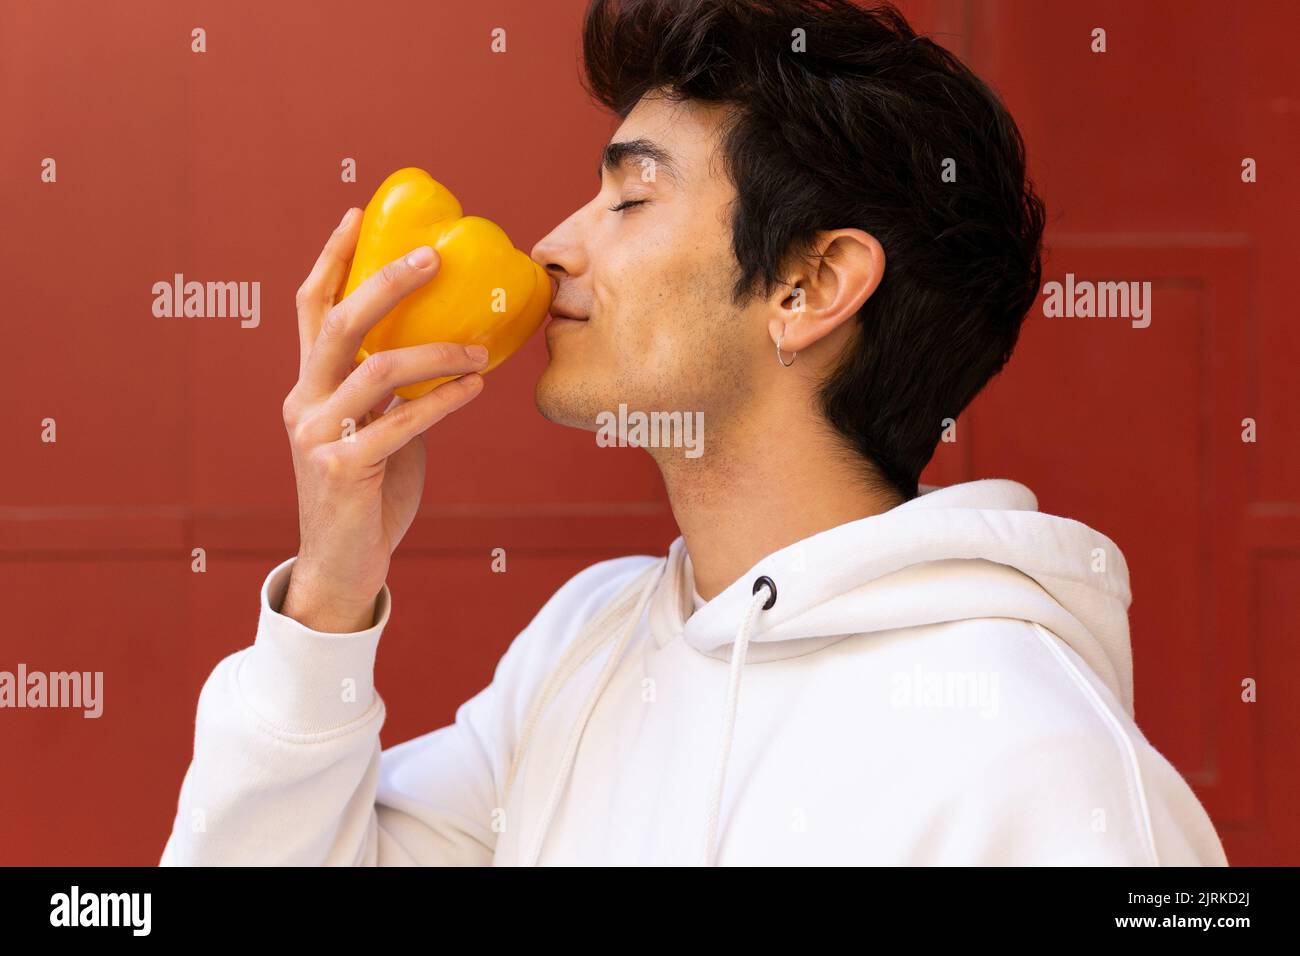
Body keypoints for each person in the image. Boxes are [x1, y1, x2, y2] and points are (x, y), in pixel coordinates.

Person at [160, 0, 1227, 866]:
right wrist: (329, 599)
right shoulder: (585, 648)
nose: (549, 250)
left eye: (630, 195)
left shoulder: (1045, 770)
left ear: (809, 284)